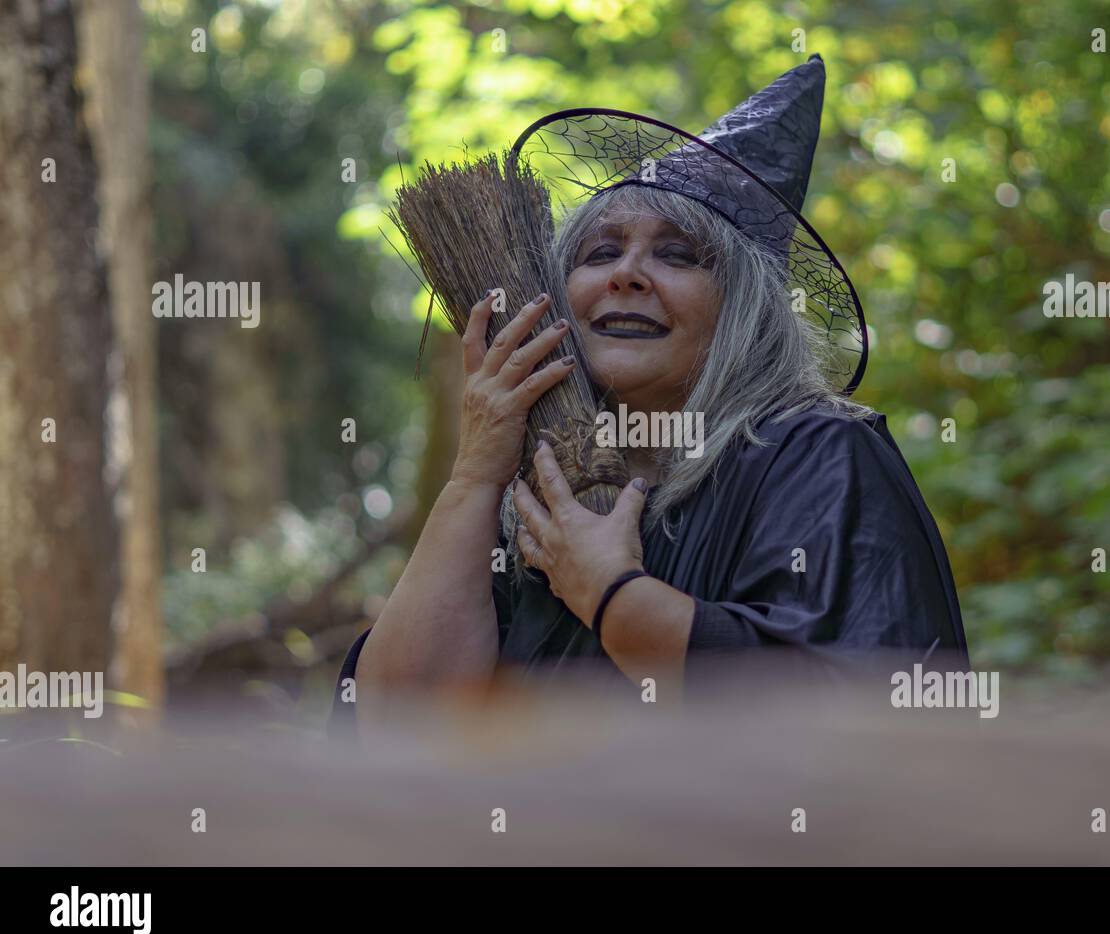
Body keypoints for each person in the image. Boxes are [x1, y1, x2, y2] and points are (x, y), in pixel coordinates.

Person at [331, 55, 966, 737]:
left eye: (679, 254)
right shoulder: (535, 501)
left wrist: (611, 596)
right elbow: (397, 720)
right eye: (601, 253)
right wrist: (476, 473)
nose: (628, 274)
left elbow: (851, 711)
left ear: (745, 311)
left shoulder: (819, 454)